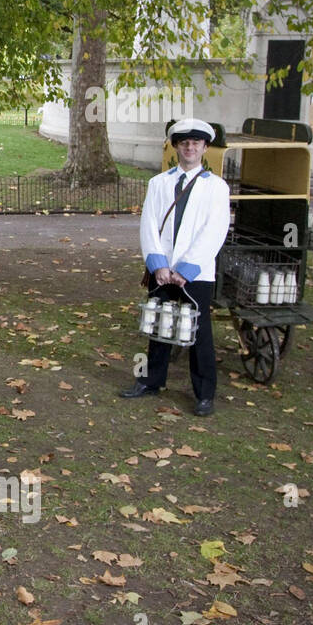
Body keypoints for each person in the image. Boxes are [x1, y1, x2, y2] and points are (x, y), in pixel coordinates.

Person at [120, 118, 231, 416]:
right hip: (162, 270)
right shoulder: (159, 183)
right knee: (158, 324)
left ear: (205, 147)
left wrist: (187, 269)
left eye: (196, 143)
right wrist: (157, 264)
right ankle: (150, 381)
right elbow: (150, 224)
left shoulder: (217, 188)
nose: (190, 148)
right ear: (176, 147)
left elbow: (215, 230)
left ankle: (204, 393)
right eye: (184, 143)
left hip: (195, 273)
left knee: (199, 332)